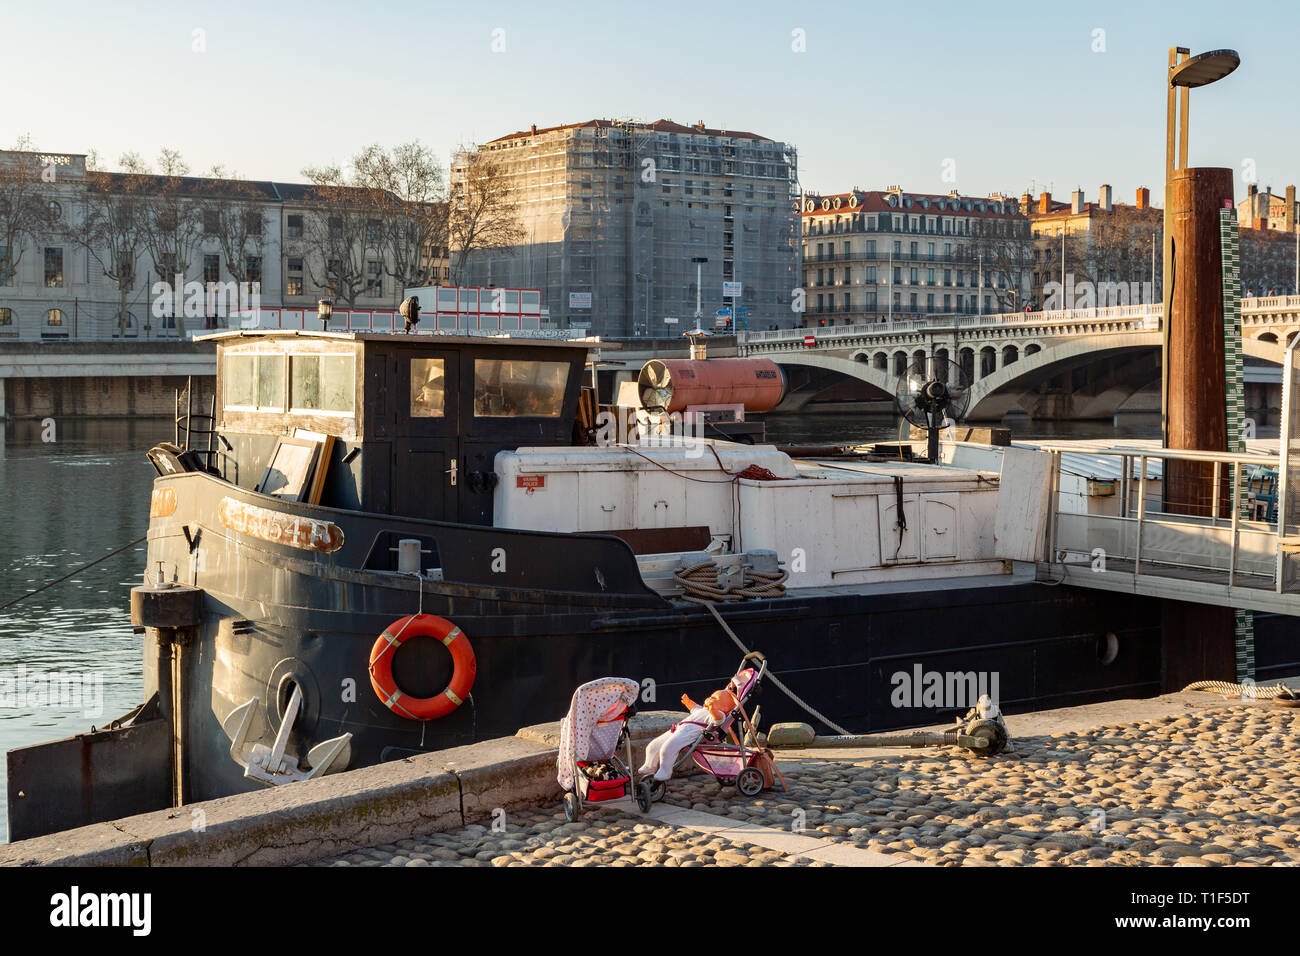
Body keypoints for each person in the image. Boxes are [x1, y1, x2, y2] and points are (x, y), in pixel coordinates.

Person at [638, 688, 738, 782]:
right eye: (711, 696)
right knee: (653, 745)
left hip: (689, 733)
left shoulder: (717, 713)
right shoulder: (703, 710)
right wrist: (689, 703)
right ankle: (649, 765)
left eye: (715, 698)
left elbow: (719, 720)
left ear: (724, 707)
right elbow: (695, 709)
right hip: (678, 729)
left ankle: (665, 771)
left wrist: (714, 711)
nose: (710, 698)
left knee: (667, 748)